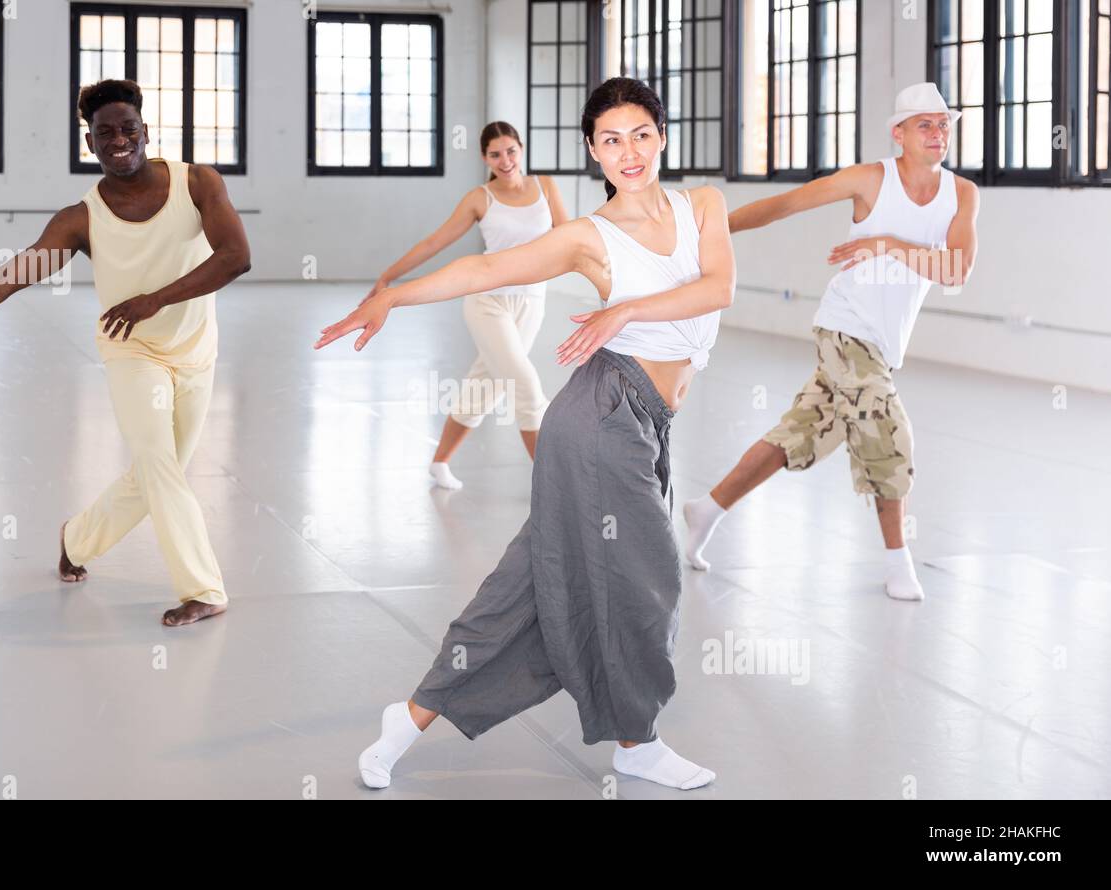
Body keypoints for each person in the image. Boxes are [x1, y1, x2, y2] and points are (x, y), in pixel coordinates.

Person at [316, 77, 732, 791]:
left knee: (534, 590)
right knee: (649, 580)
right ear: (592, 153)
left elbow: (717, 287)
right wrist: (392, 294)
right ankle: (637, 739)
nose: (627, 151)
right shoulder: (587, 237)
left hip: (645, 422)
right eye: (609, 140)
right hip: (601, 419)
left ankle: (410, 717)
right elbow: (482, 266)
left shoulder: (705, 208)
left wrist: (624, 313)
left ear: (661, 136)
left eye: (639, 134)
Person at [0, 79, 252, 627]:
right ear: (90, 145)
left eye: (128, 129)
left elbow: (236, 257)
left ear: (146, 133)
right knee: (160, 465)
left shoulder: (198, 182)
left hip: (196, 350)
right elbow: (3, 280)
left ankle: (76, 540)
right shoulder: (79, 219)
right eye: (105, 132)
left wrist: (154, 299)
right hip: (130, 351)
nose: (119, 139)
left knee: (159, 473)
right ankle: (204, 589)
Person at [682, 82, 980, 602]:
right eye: (925, 124)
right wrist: (707, 235)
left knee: (796, 436)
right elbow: (788, 203)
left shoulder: (962, 194)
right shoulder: (872, 179)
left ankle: (706, 508)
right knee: (890, 432)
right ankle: (896, 560)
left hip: (883, 344)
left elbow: (956, 270)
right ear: (899, 133)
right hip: (844, 328)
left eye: (944, 124)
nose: (938, 133)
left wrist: (886, 243)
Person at [366, 121, 569, 489]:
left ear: (521, 149)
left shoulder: (546, 186)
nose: (505, 160)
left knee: (485, 384)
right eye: (495, 154)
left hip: (531, 302)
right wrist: (388, 276)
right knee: (524, 383)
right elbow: (434, 242)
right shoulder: (480, 198)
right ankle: (553, 487)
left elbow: (570, 237)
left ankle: (439, 461)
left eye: (510, 151)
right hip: (488, 303)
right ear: (484, 157)